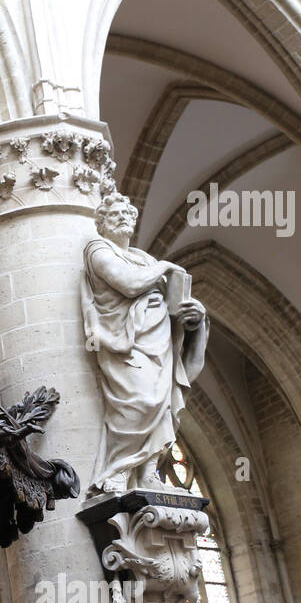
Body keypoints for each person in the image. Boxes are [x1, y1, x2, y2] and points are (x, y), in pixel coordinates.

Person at [82, 192, 209, 495]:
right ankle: (118, 471)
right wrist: (165, 267)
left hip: (159, 338)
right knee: (139, 401)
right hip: (126, 341)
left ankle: (149, 473)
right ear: (102, 222)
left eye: (128, 215)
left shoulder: (144, 258)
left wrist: (195, 318)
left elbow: (171, 302)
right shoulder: (98, 250)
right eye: (115, 215)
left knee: (162, 402)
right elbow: (130, 283)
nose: (124, 219)